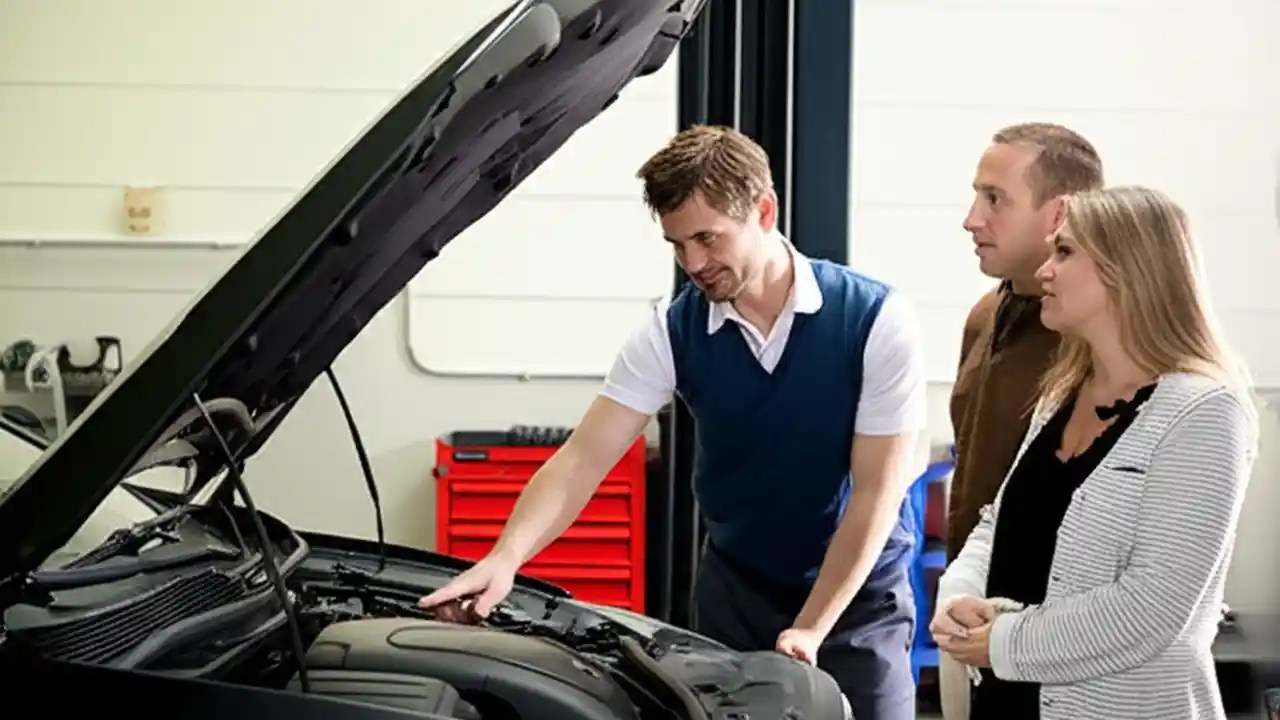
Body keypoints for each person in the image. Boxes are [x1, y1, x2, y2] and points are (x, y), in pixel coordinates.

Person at [419, 124, 928, 720]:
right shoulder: (671, 332)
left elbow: (877, 492)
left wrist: (811, 628)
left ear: (764, 211)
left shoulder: (875, 320)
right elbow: (583, 458)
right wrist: (506, 558)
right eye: (677, 245)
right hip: (737, 594)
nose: (693, 263)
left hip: (855, 599)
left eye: (708, 239)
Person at [930, 185, 1258, 720]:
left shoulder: (1204, 413)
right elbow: (1000, 523)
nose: (1044, 272)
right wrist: (959, 597)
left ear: (1127, 270)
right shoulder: (1062, 392)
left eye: (1065, 252)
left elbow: (1151, 606)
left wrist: (1003, 644)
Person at [939, 122, 1104, 716]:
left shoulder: (1096, 339)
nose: (971, 218)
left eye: (994, 199)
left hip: (1055, 646)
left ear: (1059, 212)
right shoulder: (985, 316)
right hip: (969, 617)